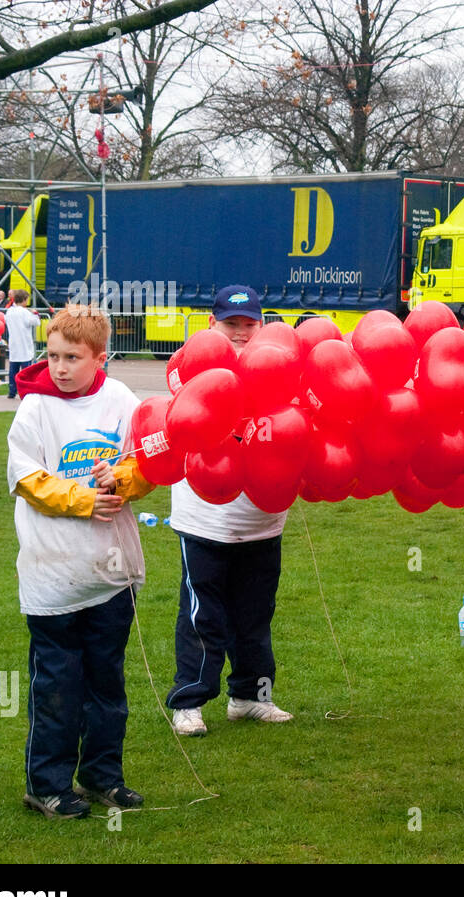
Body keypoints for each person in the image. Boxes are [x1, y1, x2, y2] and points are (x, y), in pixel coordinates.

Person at [7, 304, 154, 819]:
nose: (60, 367)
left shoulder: (121, 401)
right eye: (53, 356)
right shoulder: (34, 408)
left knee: (106, 684)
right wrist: (84, 499)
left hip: (110, 576)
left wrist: (122, 480)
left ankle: (102, 776)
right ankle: (46, 784)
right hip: (54, 576)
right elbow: (27, 480)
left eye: (73, 357)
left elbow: (145, 462)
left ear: (100, 357)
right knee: (57, 687)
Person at [165, 285, 294, 736]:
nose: (240, 333)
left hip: (261, 521)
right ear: (211, 326)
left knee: (255, 617)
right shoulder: (189, 366)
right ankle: (189, 702)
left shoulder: (282, 369)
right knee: (203, 618)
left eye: (248, 324)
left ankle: (251, 698)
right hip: (204, 521)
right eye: (230, 324)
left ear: (260, 325)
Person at [5, 289, 41, 399]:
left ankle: (12, 391)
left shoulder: (9, 312)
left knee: (13, 370)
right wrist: (35, 314)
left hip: (14, 344)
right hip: (25, 344)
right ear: (24, 300)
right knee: (26, 371)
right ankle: (26, 391)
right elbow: (35, 322)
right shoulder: (25, 312)